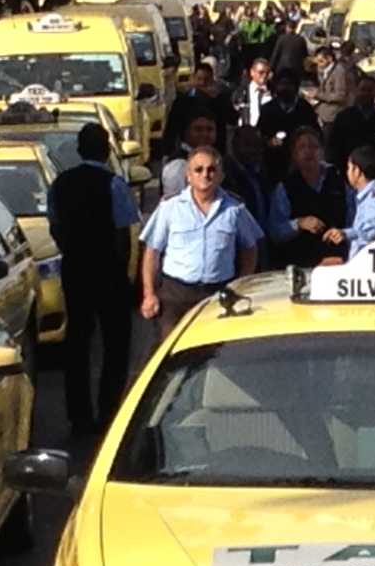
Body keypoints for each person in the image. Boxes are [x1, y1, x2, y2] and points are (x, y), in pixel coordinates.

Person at [44, 120, 139, 438]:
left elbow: (54, 225)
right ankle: (109, 411)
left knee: (77, 342)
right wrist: (122, 271)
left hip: (74, 269)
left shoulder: (60, 184)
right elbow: (122, 232)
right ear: (106, 150)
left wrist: (71, 249)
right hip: (108, 271)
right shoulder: (113, 184)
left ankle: (79, 415)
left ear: (79, 150)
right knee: (116, 344)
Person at [139, 143, 263, 322]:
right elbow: (152, 252)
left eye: (212, 169)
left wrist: (239, 285)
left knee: (217, 349)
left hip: (218, 293)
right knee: (172, 347)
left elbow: (250, 249)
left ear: (221, 176)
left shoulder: (235, 208)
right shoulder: (170, 207)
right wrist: (149, 294)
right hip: (176, 295)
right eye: (198, 170)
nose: (205, 174)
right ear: (188, 176)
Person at [265, 127, 349, 268]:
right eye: (302, 147)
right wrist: (299, 223)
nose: (308, 151)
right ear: (294, 154)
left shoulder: (339, 180)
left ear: (322, 151)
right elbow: (274, 231)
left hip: (337, 262)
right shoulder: (285, 187)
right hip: (300, 265)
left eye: (314, 146)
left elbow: (353, 219)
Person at [332, 142, 375, 251]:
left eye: (349, 168)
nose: (347, 172)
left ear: (357, 171)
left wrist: (348, 234)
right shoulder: (363, 197)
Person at [163, 59, 232, 154]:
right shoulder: (182, 101)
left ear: (212, 81)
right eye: (199, 79)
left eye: (206, 80)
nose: (202, 83)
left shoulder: (219, 100)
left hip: (213, 150)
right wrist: (168, 152)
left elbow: (231, 119)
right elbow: (171, 129)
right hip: (186, 150)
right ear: (193, 79)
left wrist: (216, 99)